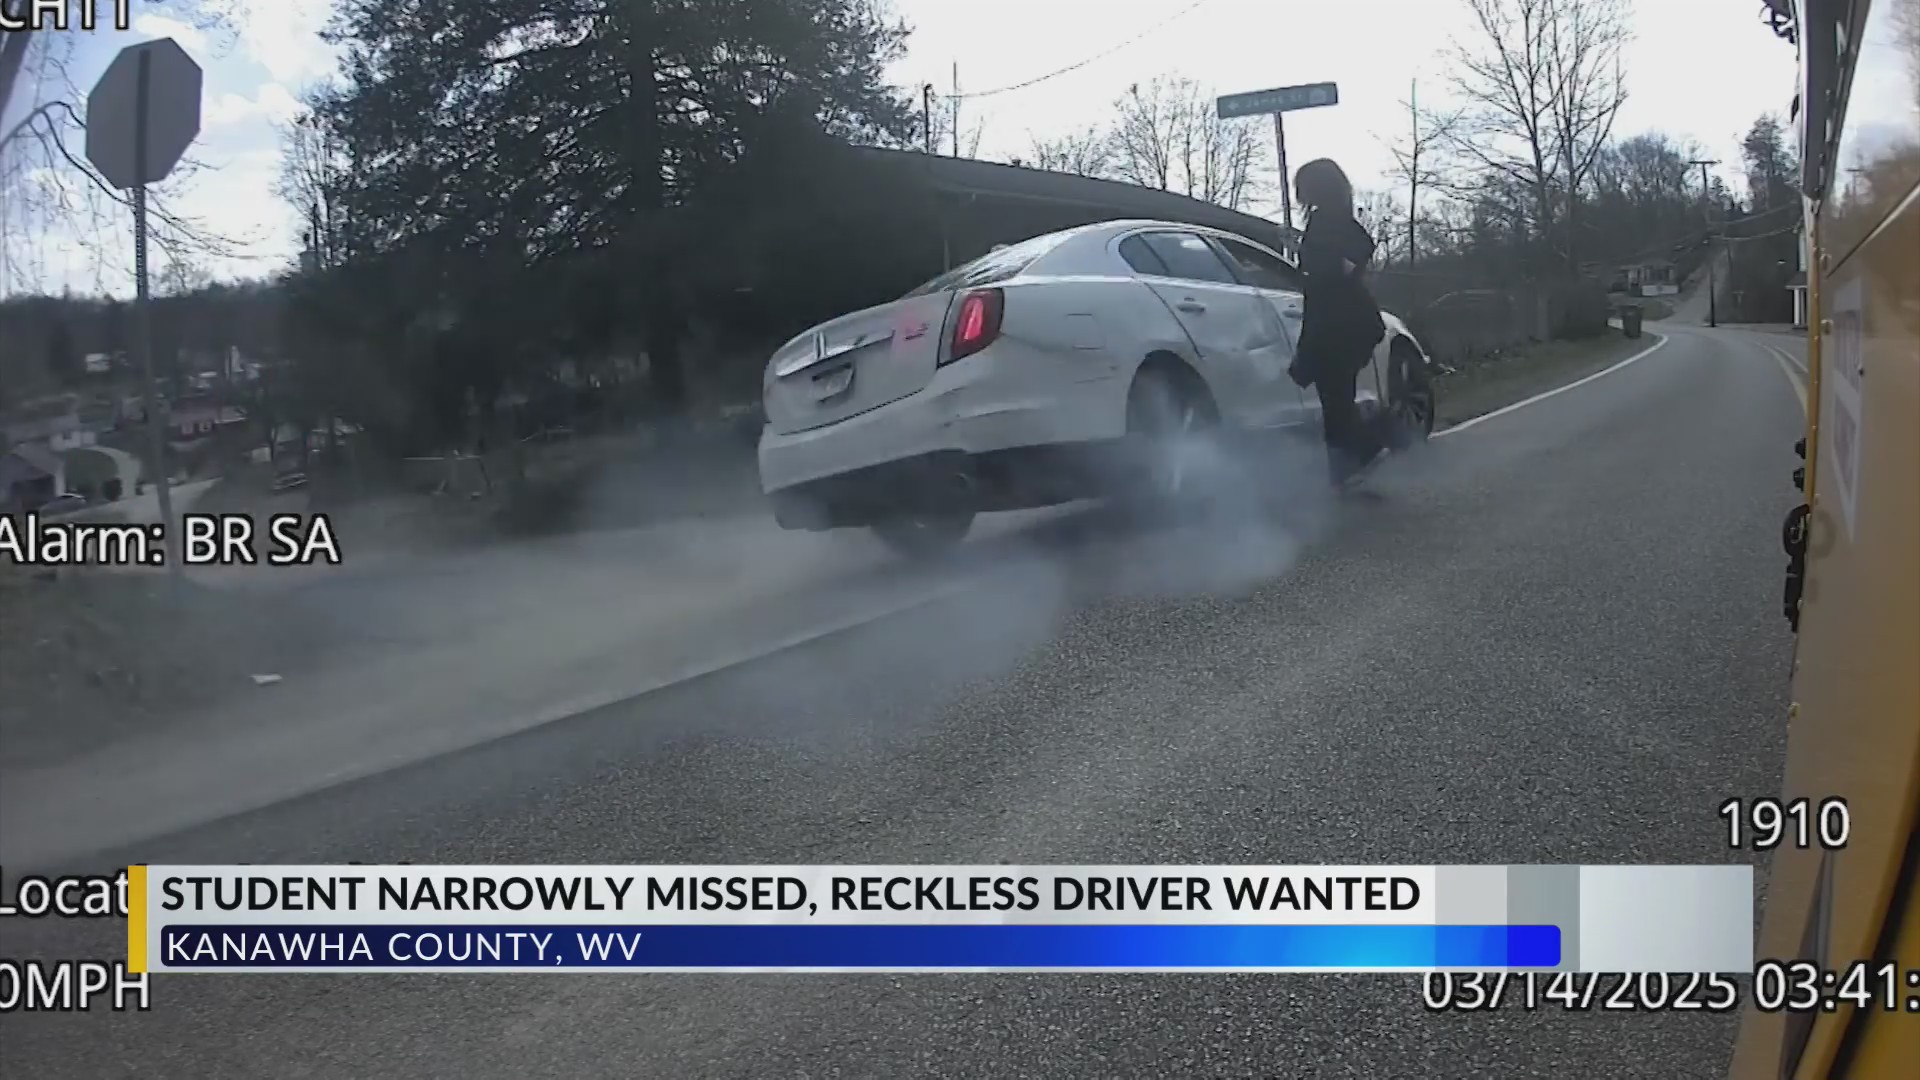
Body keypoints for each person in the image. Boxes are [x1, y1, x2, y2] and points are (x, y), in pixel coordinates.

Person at [1286, 158, 1389, 488]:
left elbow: (1341, 257)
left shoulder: (1325, 218)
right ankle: (1350, 463)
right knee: (1336, 395)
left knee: (1334, 396)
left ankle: (1359, 455)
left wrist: (1336, 265)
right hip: (1347, 319)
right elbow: (1360, 246)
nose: (1299, 193)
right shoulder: (1334, 215)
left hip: (1337, 321)